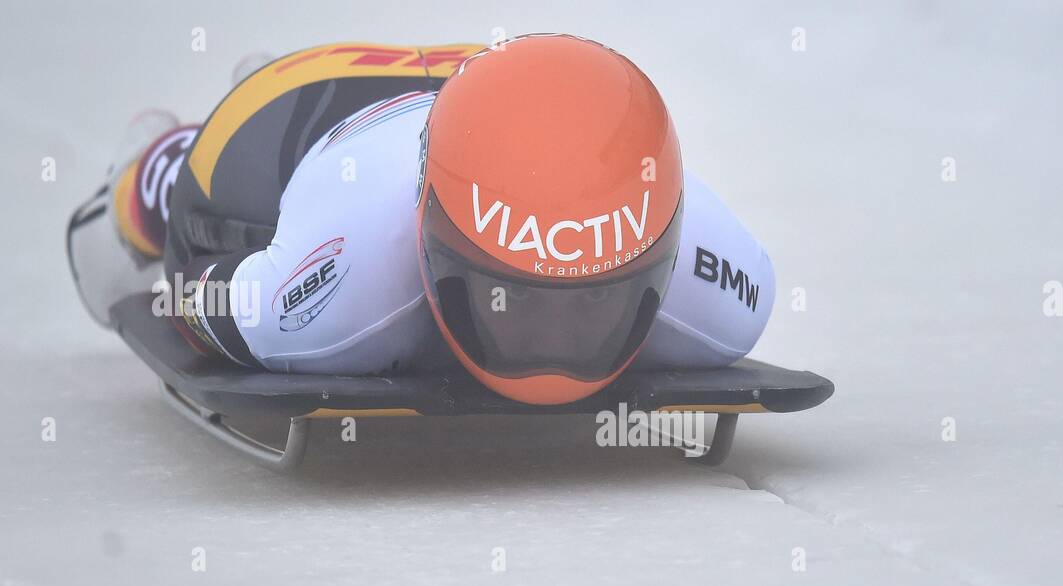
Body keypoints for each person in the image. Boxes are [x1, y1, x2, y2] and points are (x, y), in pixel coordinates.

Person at [67, 35, 775, 404]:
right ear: (429, 240)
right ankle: (154, 152)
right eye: (512, 301)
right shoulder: (319, 304)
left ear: (664, 254)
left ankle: (260, 72)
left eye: (594, 300)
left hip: (493, 85)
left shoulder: (725, 287)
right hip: (291, 114)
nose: (551, 343)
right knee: (135, 232)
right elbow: (194, 291)